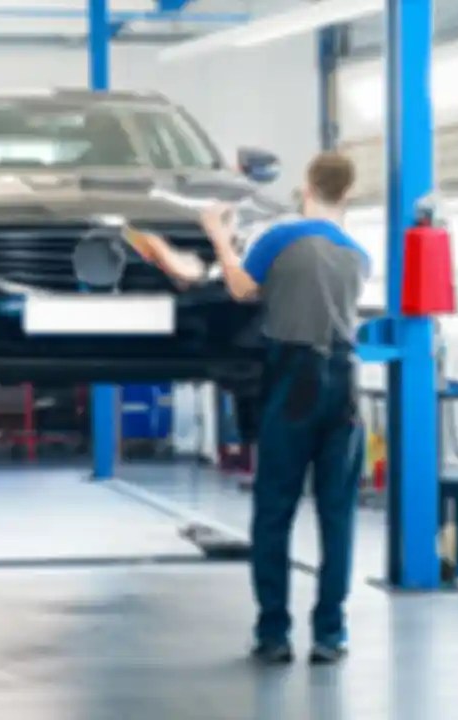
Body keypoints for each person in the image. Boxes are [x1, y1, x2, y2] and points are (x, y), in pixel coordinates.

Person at [137, 152, 368, 664]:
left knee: (274, 512)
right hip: (345, 385)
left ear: (307, 186)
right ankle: (331, 634)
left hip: (294, 385)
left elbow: (242, 288)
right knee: (337, 517)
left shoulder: (281, 238)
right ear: (347, 194)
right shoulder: (359, 254)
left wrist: (219, 234)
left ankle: (274, 633)